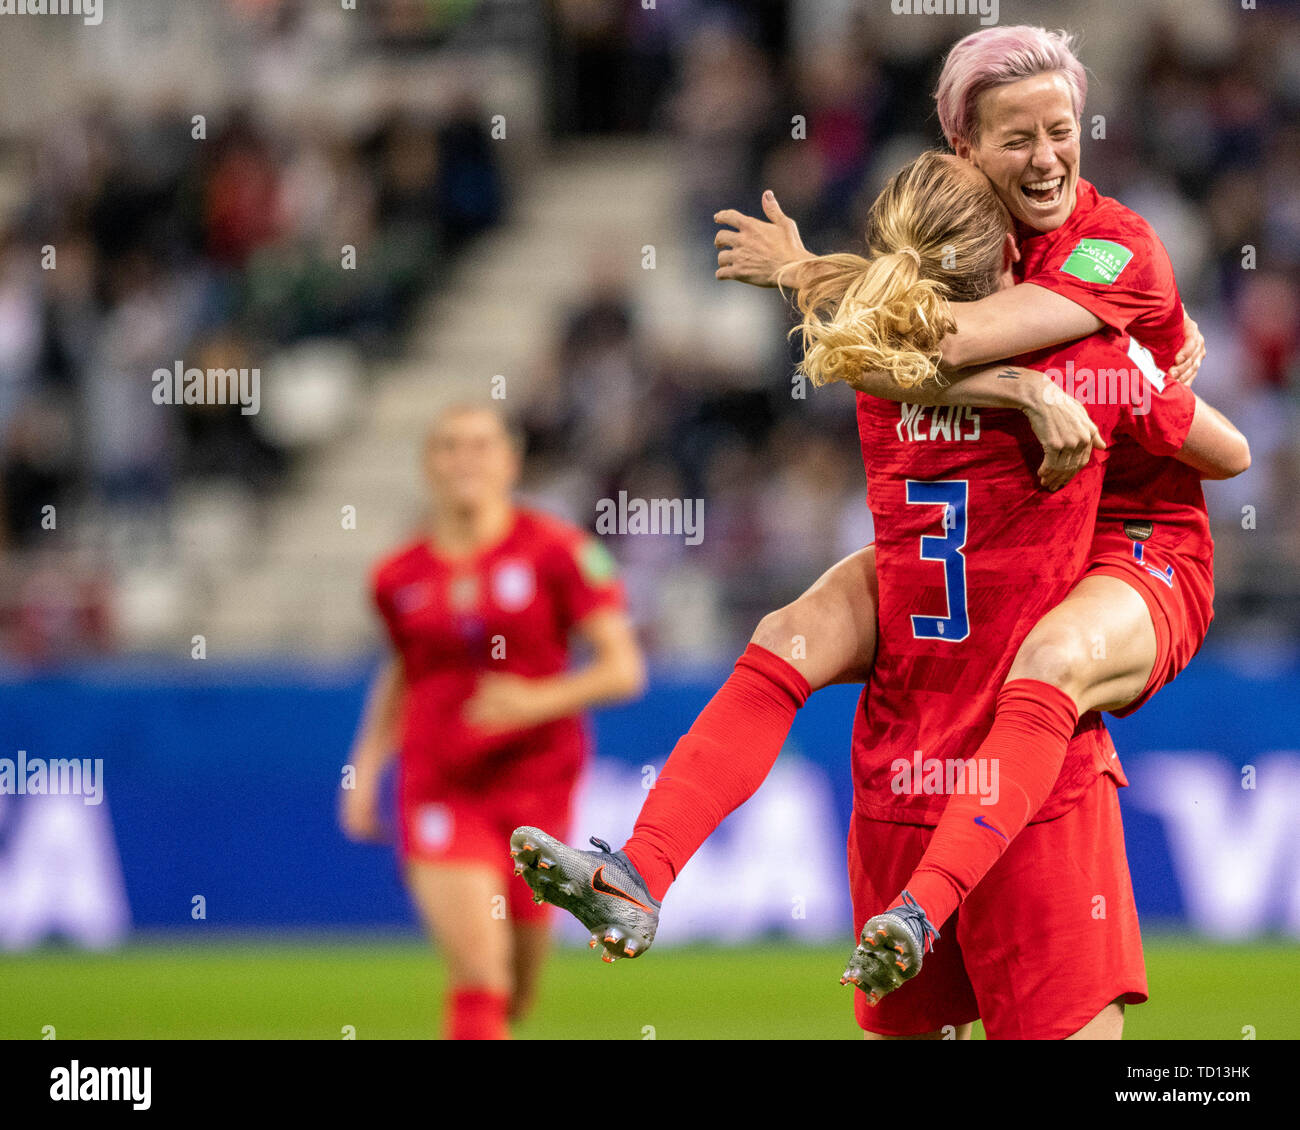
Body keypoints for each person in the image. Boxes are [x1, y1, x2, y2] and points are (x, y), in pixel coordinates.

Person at [512, 149, 1248, 1040]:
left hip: (899, 771)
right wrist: (1158, 363)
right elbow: (1228, 452)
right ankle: (924, 909)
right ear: (1012, 263)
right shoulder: (1083, 360)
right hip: (1026, 792)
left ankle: (646, 863)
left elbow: (871, 329)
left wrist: (801, 271)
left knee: (784, 639)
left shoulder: (867, 347)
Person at [340, 403, 645, 1040]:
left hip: (539, 788)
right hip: (440, 786)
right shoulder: (398, 577)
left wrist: (535, 701)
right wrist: (365, 770)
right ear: (428, 464)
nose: (465, 460)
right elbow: (402, 674)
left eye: (481, 446)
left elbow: (623, 670)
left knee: (518, 992)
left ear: (510, 461)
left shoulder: (560, 552)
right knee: (481, 975)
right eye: (449, 446)